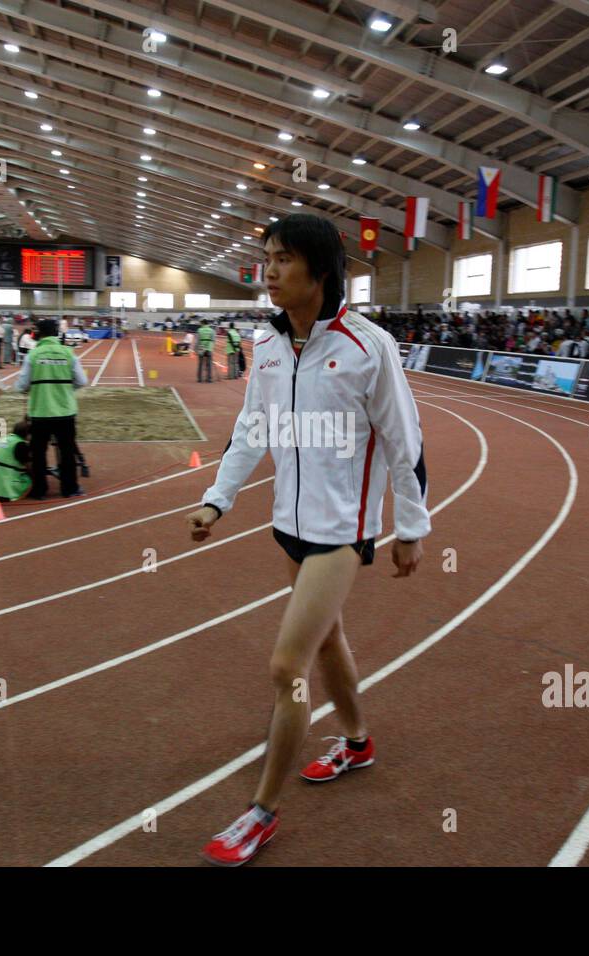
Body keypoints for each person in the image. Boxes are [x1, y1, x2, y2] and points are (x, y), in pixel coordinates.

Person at [186, 213, 429, 866]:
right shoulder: (266, 348)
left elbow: (406, 444)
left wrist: (411, 527)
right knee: (329, 643)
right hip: (288, 527)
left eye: (283, 259)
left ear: (320, 271)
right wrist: (217, 499)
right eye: (266, 258)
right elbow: (250, 431)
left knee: (286, 666)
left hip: (340, 535)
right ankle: (356, 741)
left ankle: (260, 812)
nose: (269, 271)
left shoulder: (366, 346)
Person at [17, 318, 88, 499]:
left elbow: (21, 385)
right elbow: (82, 381)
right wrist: (65, 389)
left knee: (39, 453)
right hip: (65, 412)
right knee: (66, 452)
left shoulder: (33, 355)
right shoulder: (68, 353)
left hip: (40, 412)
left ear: (39, 334)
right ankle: (69, 488)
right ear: (56, 333)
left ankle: (40, 490)